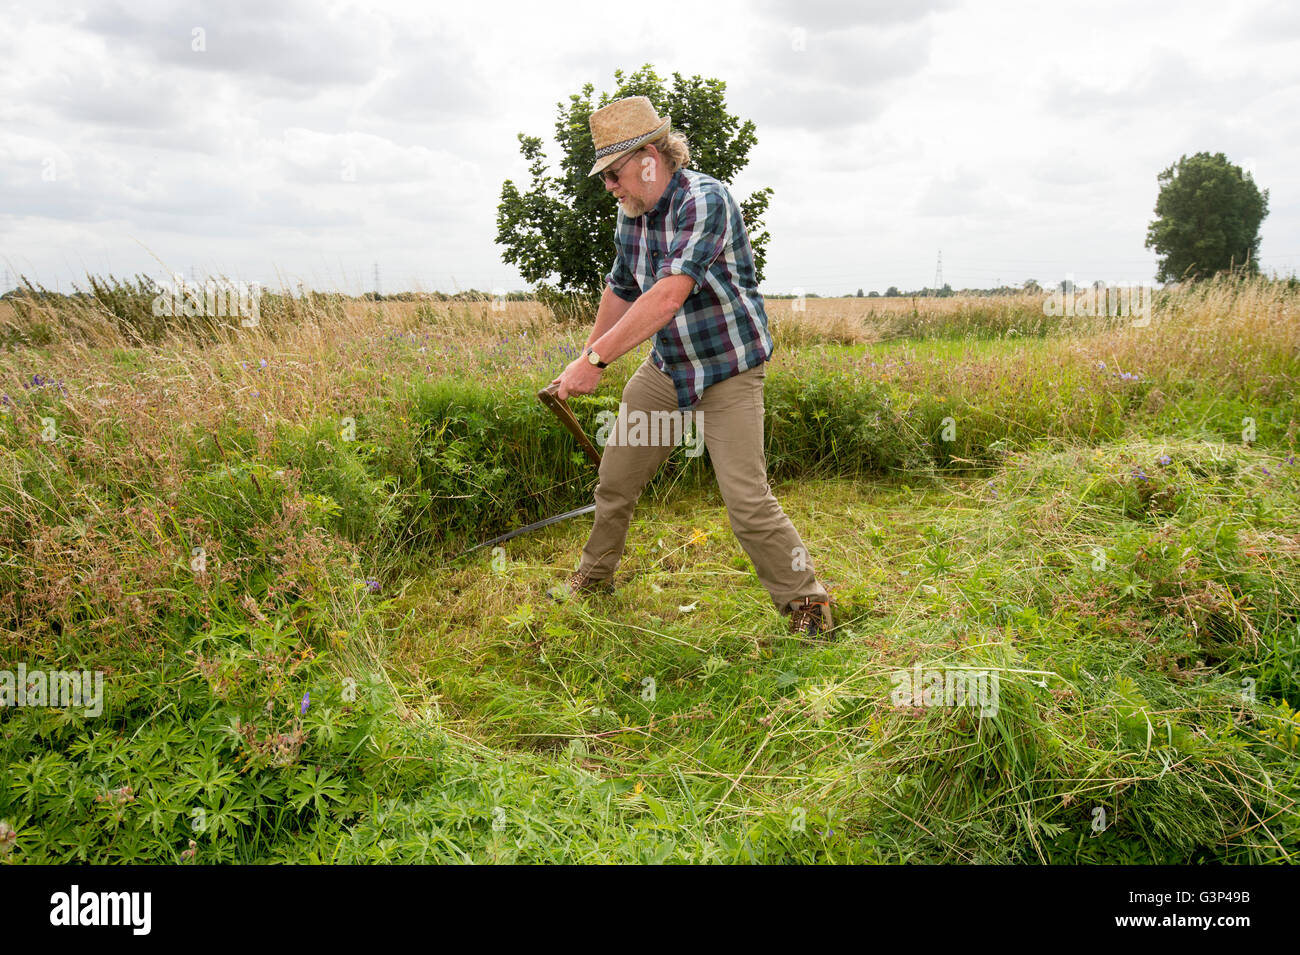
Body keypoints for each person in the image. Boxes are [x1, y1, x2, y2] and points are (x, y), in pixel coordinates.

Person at [548, 95, 833, 637]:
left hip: (727, 369)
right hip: (666, 369)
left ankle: (807, 605)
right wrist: (584, 358)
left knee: (746, 499)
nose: (610, 186)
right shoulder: (630, 214)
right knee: (615, 480)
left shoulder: (705, 199)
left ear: (650, 156)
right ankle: (595, 577)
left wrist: (596, 361)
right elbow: (623, 289)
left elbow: (666, 297)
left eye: (614, 173)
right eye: (605, 177)